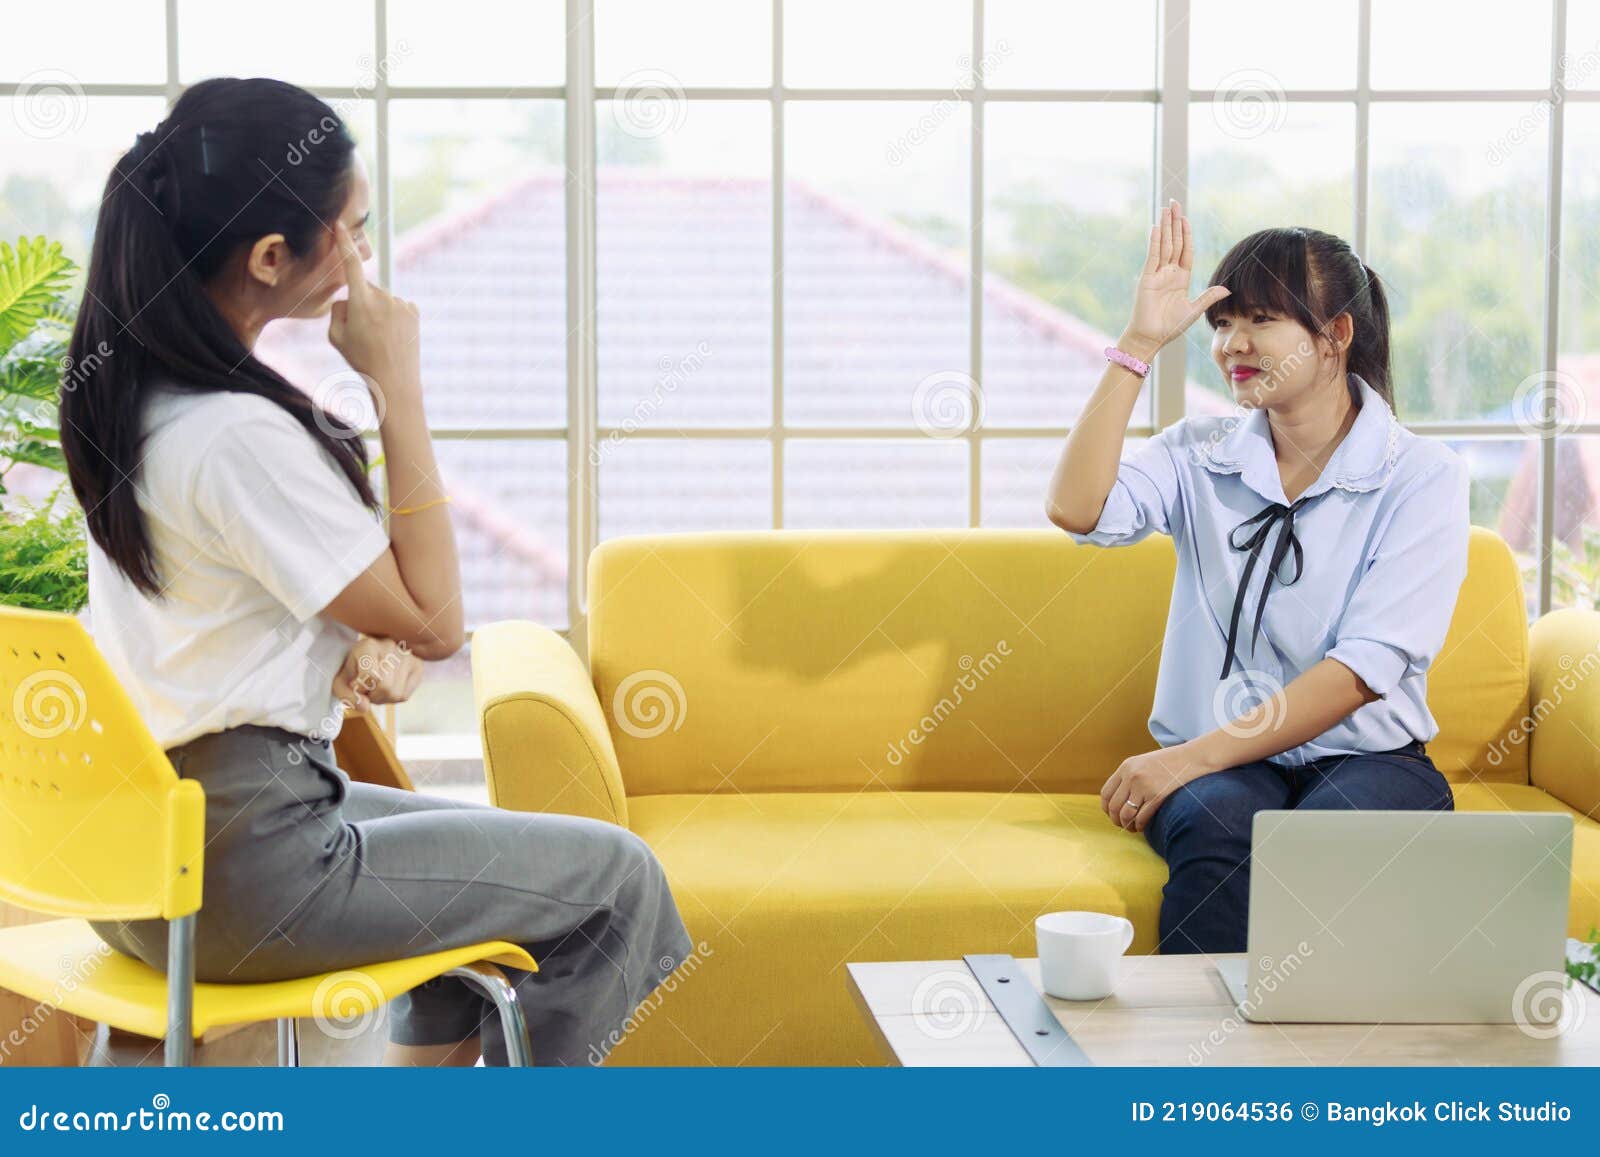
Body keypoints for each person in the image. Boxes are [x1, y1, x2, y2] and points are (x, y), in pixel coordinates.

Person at [60, 77, 693, 1065]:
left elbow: (219, 617)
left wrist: (330, 655)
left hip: (141, 864)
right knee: (617, 879)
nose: (362, 258)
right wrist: (397, 384)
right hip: (245, 868)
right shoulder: (236, 433)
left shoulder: (136, 404)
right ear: (273, 256)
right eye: (351, 230)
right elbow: (439, 623)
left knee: (491, 866)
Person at [1045, 201, 1468, 954]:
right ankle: (1196, 1069)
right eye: (1220, 324)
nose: (1232, 345)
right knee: (1218, 833)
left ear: (1336, 335)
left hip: (1369, 760)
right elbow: (1076, 508)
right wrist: (1140, 342)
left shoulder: (1422, 477)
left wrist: (1182, 759)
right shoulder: (1197, 452)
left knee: (1329, 847)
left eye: (1262, 320)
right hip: (1226, 772)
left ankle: (1329, 1070)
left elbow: (1360, 673)